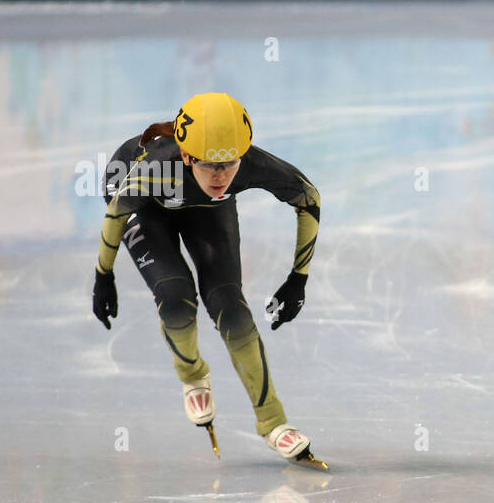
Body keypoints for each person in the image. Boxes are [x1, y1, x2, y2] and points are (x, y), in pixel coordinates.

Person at [90, 92, 326, 468]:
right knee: (175, 295)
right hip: (148, 206)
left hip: (204, 209)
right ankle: (192, 374)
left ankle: (273, 421)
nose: (221, 176)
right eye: (210, 166)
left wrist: (298, 279)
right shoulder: (156, 167)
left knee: (231, 307)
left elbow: (308, 199)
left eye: (229, 165)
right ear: (186, 156)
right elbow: (117, 214)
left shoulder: (246, 165)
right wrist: (104, 275)